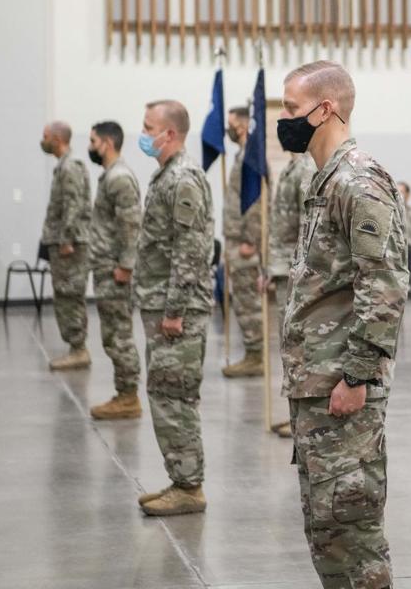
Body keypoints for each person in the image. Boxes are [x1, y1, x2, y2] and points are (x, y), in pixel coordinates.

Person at [279, 61, 407, 589]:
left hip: (340, 384)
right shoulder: (324, 179)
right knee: (327, 530)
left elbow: (384, 285)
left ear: (324, 108)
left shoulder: (358, 180)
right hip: (315, 381)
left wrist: (357, 377)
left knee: (353, 533)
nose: (284, 120)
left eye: (290, 109)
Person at [133, 100, 215, 517]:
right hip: (162, 305)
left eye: (149, 128)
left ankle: (188, 486)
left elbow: (190, 249)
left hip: (177, 312)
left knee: (174, 397)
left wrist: (174, 310)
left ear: (170, 134)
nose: (143, 134)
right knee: (166, 395)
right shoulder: (165, 175)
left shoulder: (183, 178)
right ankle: (182, 478)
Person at [87, 121, 144, 420]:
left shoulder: (119, 178)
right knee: (112, 335)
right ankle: (124, 393)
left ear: (107, 143)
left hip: (114, 270)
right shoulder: (109, 176)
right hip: (106, 266)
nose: (90, 146)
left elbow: (130, 225)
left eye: (93, 140)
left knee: (119, 335)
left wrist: (125, 265)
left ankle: (128, 396)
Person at [267, 151, 316, 439]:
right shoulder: (291, 167)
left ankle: (303, 418)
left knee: (300, 350)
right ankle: (295, 414)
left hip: (295, 275)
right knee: (289, 350)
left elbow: (306, 230)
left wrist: (298, 274)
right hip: (283, 270)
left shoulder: (306, 169)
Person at [39, 121, 93, 371]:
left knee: (70, 294)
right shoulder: (64, 166)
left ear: (58, 139)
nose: (43, 140)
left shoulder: (70, 166)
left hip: (70, 243)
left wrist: (66, 239)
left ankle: (78, 349)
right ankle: (76, 347)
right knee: (64, 294)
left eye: (46, 136)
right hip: (63, 239)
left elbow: (74, 204)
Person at [222, 105, 266, 378]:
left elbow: (255, 201)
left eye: (230, 123)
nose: (226, 128)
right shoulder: (242, 156)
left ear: (240, 125)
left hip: (244, 242)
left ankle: (256, 354)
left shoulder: (250, 157)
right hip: (234, 239)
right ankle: (251, 351)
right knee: (241, 298)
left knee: (248, 300)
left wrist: (251, 238)